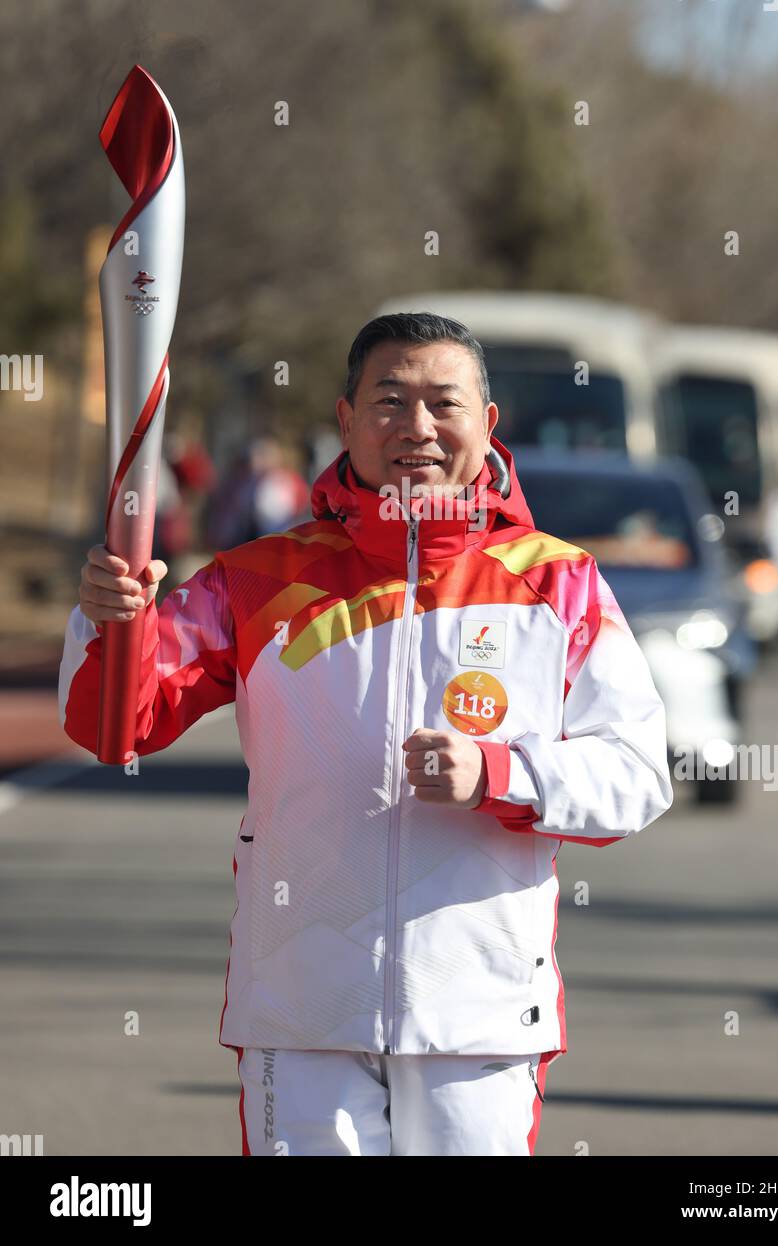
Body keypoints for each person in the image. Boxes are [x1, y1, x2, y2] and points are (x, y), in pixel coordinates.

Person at [58, 312, 672, 1157]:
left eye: (441, 403)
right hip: (303, 1010)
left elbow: (636, 773)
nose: (416, 427)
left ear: (485, 425)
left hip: (478, 1013)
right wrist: (107, 624)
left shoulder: (556, 583)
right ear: (346, 421)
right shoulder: (260, 579)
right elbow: (113, 725)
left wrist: (501, 774)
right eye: (389, 400)